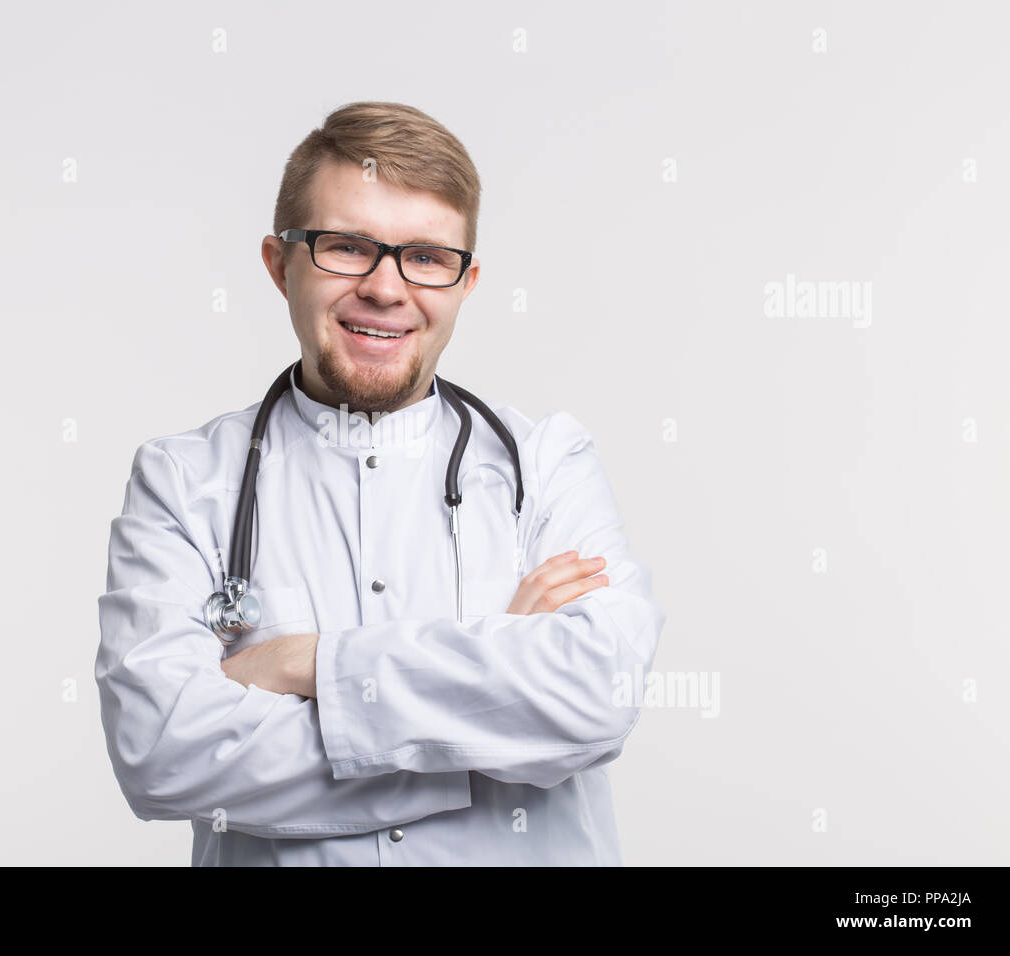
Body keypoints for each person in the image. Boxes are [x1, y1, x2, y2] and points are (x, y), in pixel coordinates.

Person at [95, 101, 665, 866]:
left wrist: (302, 664)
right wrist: (490, 690)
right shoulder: (184, 481)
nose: (387, 289)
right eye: (348, 247)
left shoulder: (546, 463)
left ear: (466, 282)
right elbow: (162, 753)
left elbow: (595, 697)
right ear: (279, 264)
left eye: (426, 257)